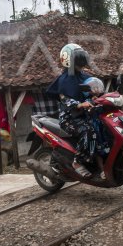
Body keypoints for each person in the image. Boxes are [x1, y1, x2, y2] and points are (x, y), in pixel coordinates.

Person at [46, 43, 98, 178]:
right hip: (70, 117)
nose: (81, 63)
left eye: (82, 59)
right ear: (69, 61)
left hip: (85, 115)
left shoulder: (84, 76)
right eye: (78, 60)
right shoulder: (64, 80)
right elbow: (65, 99)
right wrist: (80, 105)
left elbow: (96, 90)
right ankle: (78, 162)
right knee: (88, 130)